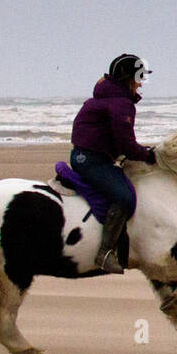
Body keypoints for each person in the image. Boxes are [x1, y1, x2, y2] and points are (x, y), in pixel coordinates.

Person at [70, 54, 158, 273]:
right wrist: (148, 155)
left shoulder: (110, 99)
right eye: (138, 78)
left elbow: (119, 142)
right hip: (92, 161)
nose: (140, 83)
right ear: (127, 78)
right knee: (124, 197)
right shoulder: (121, 104)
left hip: (91, 156)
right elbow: (126, 144)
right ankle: (105, 253)